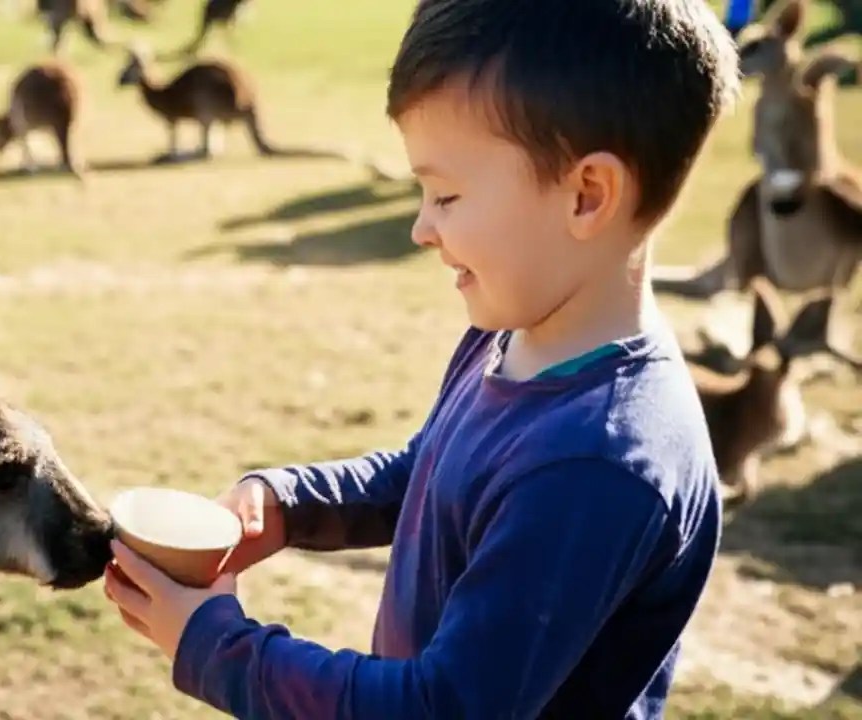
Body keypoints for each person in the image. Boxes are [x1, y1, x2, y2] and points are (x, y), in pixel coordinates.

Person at [102, 0, 741, 716]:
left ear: (587, 195)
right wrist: (290, 504)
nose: (421, 228)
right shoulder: (516, 337)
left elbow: (442, 707)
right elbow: (433, 475)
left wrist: (216, 645)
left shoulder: (597, 464)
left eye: (446, 194)